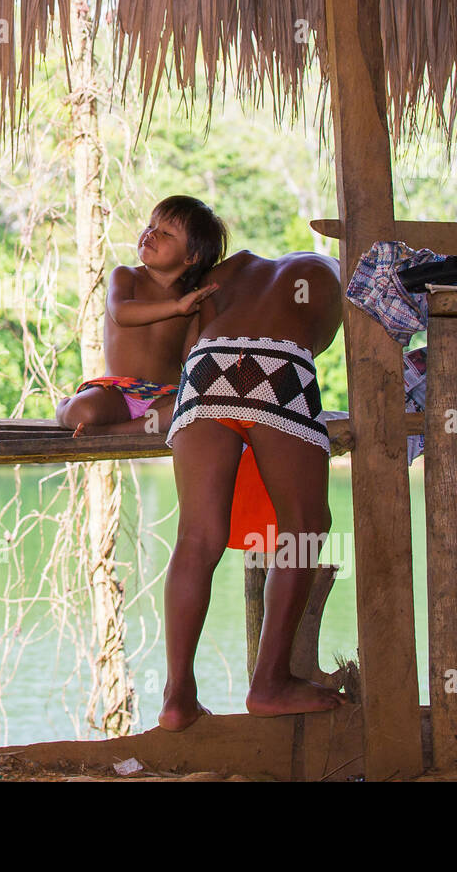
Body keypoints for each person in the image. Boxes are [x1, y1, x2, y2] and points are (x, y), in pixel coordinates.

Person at [159, 247, 347, 728]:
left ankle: (177, 697)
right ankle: (269, 683)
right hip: (277, 363)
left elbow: (191, 327)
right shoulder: (337, 274)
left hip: (205, 367)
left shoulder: (239, 265)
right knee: (304, 528)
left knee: (197, 537)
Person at [55, 196, 222, 436]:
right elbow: (121, 313)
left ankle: (113, 431)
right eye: (150, 226)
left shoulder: (190, 301)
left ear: (191, 257)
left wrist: (206, 313)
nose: (151, 234)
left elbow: (190, 357)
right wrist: (175, 307)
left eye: (166, 233)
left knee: (193, 408)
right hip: (117, 393)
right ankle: (64, 409)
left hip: (164, 395)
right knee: (84, 413)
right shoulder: (126, 276)